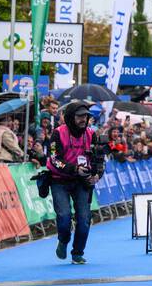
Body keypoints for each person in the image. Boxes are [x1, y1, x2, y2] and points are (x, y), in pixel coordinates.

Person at [44, 102, 107, 265]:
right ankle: (63, 240)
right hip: (59, 180)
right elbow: (53, 159)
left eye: (85, 116)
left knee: (84, 219)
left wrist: (97, 175)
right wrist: (74, 169)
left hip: (82, 182)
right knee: (64, 217)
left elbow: (100, 159)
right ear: (71, 117)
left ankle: (77, 253)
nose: (83, 119)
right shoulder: (58, 133)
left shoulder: (92, 134)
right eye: (80, 116)